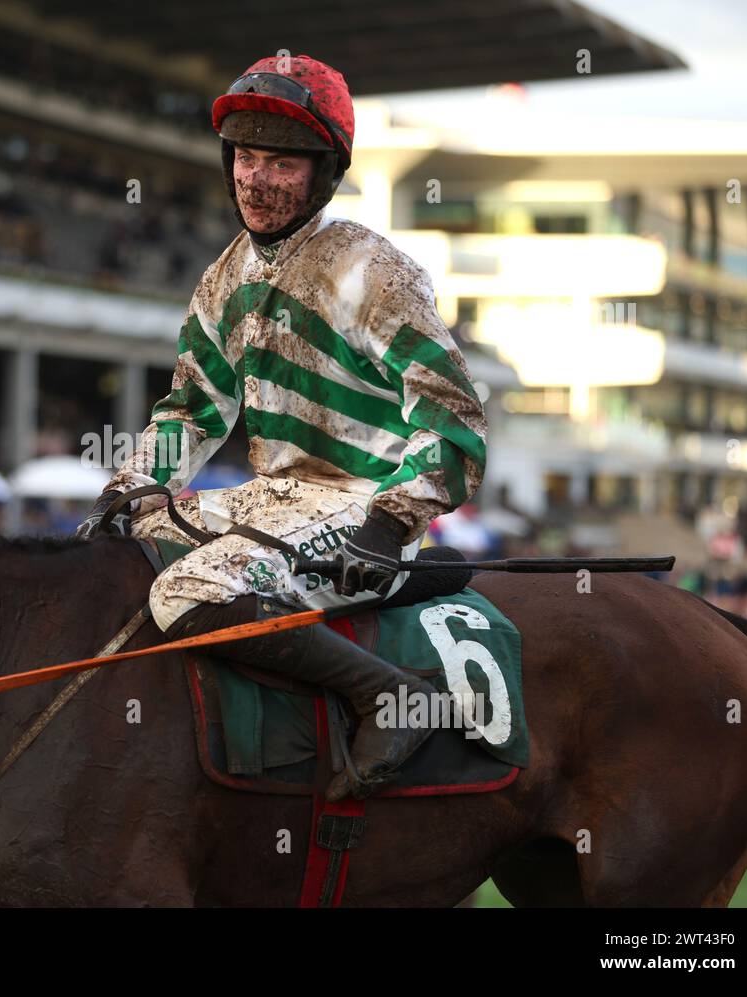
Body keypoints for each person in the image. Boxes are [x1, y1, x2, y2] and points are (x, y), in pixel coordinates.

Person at [75, 55, 487, 801]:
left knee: (187, 590)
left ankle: (393, 699)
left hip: (365, 510)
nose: (257, 180)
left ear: (324, 173)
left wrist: (393, 522)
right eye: (247, 158)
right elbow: (194, 408)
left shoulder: (375, 269)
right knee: (112, 557)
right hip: (274, 502)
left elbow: (454, 419)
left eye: (282, 163)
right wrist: (133, 484)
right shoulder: (223, 277)